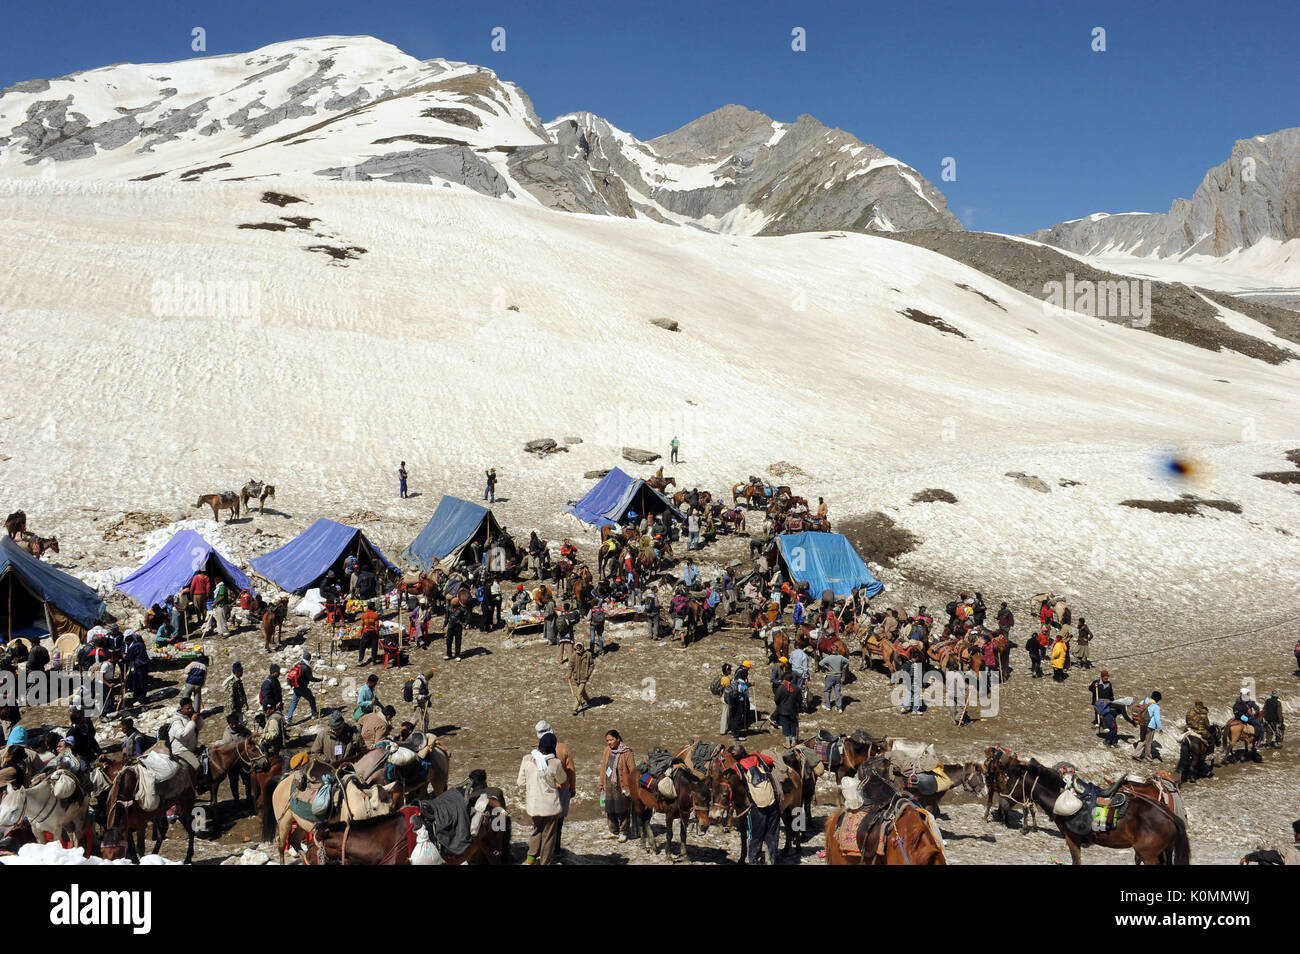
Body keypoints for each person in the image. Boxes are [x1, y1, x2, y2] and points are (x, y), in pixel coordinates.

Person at [518, 731, 566, 864]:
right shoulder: (555, 763)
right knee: (549, 837)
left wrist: (533, 784)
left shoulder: (527, 759)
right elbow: (562, 779)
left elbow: (520, 782)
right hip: (550, 806)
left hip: (534, 805)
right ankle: (546, 862)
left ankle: (531, 859)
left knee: (536, 832)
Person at [535, 720, 577, 857]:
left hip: (544, 791)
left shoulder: (537, 751)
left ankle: (541, 849)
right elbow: (570, 770)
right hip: (561, 789)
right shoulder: (563, 748)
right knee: (558, 823)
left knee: (543, 823)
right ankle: (555, 849)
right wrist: (572, 788)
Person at [597, 729, 635, 841]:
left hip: (622, 785)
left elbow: (632, 770)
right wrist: (601, 783)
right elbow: (604, 767)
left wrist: (632, 786)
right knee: (610, 808)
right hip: (609, 784)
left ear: (618, 739)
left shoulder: (626, 752)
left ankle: (624, 831)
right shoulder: (607, 751)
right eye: (607, 740)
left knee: (623, 808)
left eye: (611, 740)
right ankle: (613, 830)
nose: (609, 742)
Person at [220, 713, 252, 802]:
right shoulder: (227, 735)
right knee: (234, 782)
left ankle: (249, 797)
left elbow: (250, 737)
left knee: (247, 780)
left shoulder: (243, 729)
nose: (234, 725)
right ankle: (236, 800)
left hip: (244, 761)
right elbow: (227, 749)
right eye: (232, 724)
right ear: (229, 724)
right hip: (233, 763)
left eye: (236, 723)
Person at [285, 651, 321, 724]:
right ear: (309, 659)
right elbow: (311, 678)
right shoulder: (306, 667)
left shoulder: (298, 664)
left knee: (294, 702)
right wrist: (319, 680)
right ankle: (314, 714)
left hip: (296, 687)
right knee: (312, 699)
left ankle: (289, 719)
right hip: (303, 688)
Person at [168, 698, 202, 774]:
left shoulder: (188, 716)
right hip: (181, 750)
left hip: (190, 747)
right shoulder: (176, 720)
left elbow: (200, 727)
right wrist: (192, 721)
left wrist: (198, 719)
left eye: (191, 707)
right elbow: (182, 735)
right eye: (188, 708)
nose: (190, 710)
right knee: (196, 766)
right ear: (182, 708)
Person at [773, 668, 799, 747]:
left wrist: (780, 705)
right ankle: (794, 741)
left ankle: (788, 742)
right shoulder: (796, 688)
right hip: (793, 710)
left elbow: (776, 699)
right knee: (793, 725)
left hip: (783, 710)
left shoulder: (781, 688)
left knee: (785, 725)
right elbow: (799, 700)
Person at [1135, 691, 1163, 761]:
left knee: (1142, 740)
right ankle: (1148, 757)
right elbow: (1157, 718)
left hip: (1142, 723)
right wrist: (1160, 728)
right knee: (1148, 742)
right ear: (1157, 699)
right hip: (1150, 726)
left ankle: (1136, 754)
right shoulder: (1156, 707)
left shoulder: (1143, 701)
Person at [568, 641, 594, 715]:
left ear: (582, 647)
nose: (578, 648)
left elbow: (592, 665)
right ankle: (588, 700)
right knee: (582, 691)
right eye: (577, 647)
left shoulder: (588, 655)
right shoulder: (574, 655)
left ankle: (575, 709)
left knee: (579, 693)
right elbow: (570, 665)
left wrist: (588, 674)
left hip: (584, 678)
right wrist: (569, 674)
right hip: (576, 677)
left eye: (580, 646)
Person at [125, 633, 150, 707]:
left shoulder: (133, 646)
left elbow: (129, 657)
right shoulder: (141, 644)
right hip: (143, 665)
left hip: (139, 666)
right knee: (141, 682)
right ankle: (138, 697)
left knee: (139, 683)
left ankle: (140, 699)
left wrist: (122, 660)